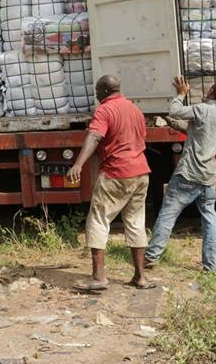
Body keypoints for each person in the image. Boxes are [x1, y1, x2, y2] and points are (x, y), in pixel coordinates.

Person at [67, 75, 154, 291]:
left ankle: (98, 278)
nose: (96, 95)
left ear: (105, 90)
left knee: (98, 219)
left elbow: (94, 136)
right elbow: (140, 137)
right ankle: (140, 277)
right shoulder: (134, 109)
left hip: (117, 172)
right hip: (141, 172)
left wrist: (78, 164)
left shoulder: (104, 111)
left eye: (97, 91)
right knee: (135, 221)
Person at [145, 76, 216, 271]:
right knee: (209, 218)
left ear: (210, 93)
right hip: (207, 176)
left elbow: (175, 110)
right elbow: (190, 130)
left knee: (168, 214)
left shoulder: (202, 109)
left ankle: (151, 255)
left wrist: (181, 94)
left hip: (188, 174)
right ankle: (211, 265)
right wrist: (167, 120)